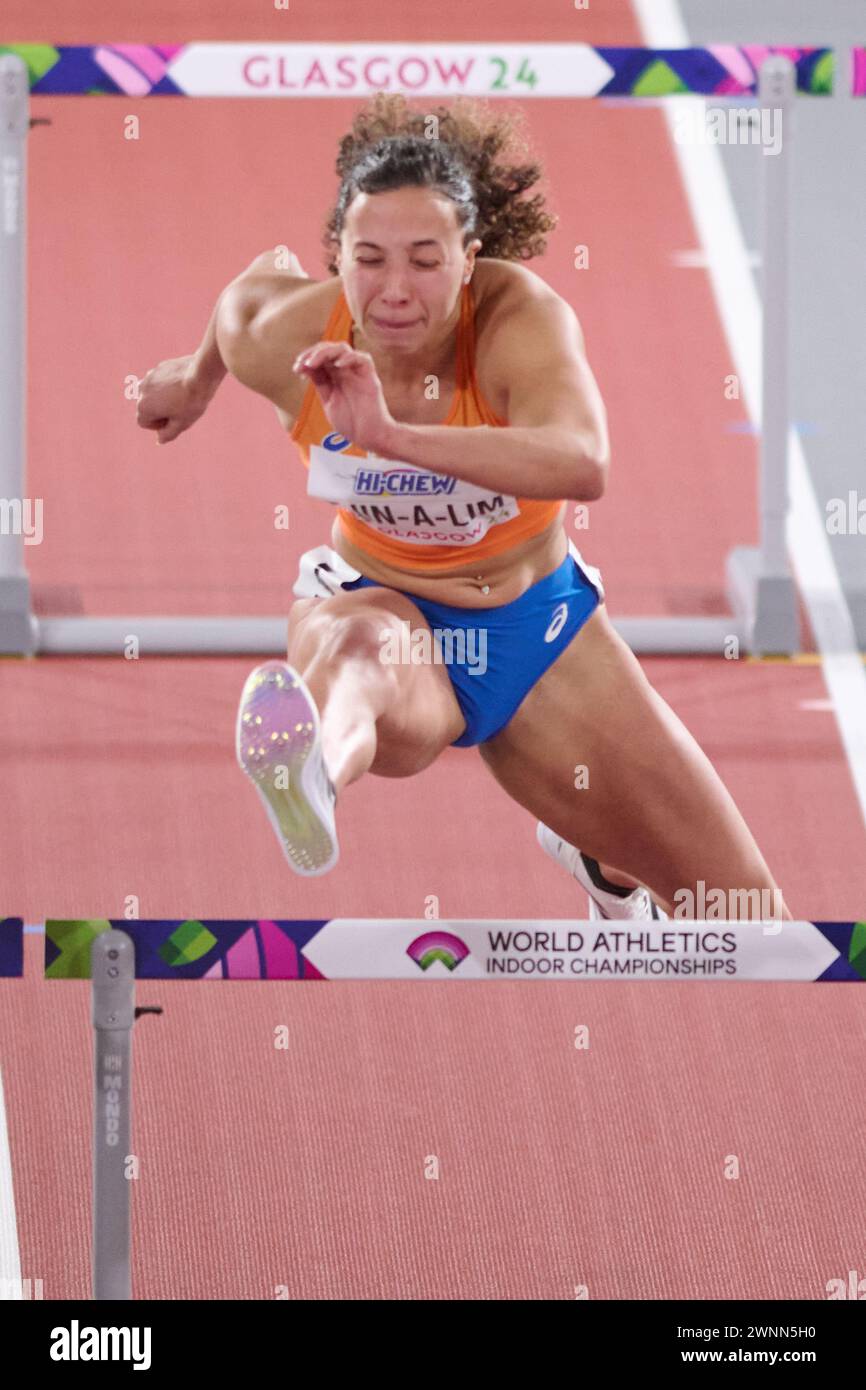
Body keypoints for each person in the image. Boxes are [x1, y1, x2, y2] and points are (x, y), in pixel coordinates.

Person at [137, 93, 789, 921]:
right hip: (387, 609)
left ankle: (603, 861)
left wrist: (389, 435)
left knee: (750, 927)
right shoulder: (281, 333)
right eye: (368, 258)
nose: (395, 289)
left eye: (424, 258)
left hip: (540, 633)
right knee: (358, 647)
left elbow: (583, 463)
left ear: (471, 257)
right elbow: (246, 291)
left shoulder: (520, 319)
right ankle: (309, 773)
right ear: (337, 254)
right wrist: (195, 381)